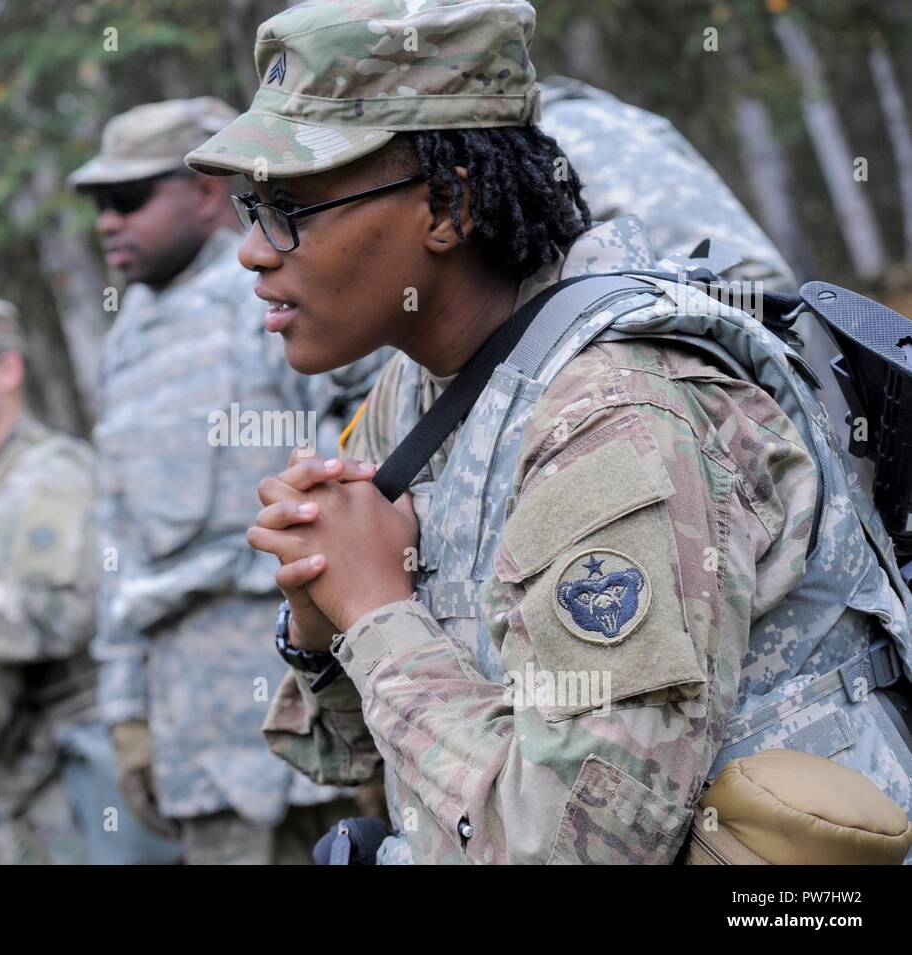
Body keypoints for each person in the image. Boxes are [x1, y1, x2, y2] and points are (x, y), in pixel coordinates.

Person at [184, 0, 912, 863]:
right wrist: (320, 610)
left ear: (448, 205)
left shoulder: (619, 418)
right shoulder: (412, 393)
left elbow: (574, 845)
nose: (254, 252)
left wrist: (374, 610)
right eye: (250, 206)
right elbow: (338, 753)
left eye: (292, 208)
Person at [68, 97, 382, 862]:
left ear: (206, 193)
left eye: (129, 199)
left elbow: (367, 475)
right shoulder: (122, 345)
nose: (108, 222)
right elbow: (120, 544)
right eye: (99, 206)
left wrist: (377, 694)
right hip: (195, 750)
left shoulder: (279, 295)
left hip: (312, 731)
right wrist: (126, 713)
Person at [0, 297, 168, 864]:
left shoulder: (46, 477)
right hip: (18, 777)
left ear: (8, 370)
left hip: (78, 762)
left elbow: (63, 616)